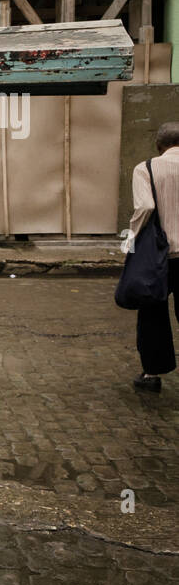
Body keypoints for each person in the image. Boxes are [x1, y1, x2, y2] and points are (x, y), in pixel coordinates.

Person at [129, 121, 179, 392]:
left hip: (159, 256)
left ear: (159, 146)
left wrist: (130, 241)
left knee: (152, 313)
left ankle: (152, 374)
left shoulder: (145, 168)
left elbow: (145, 206)